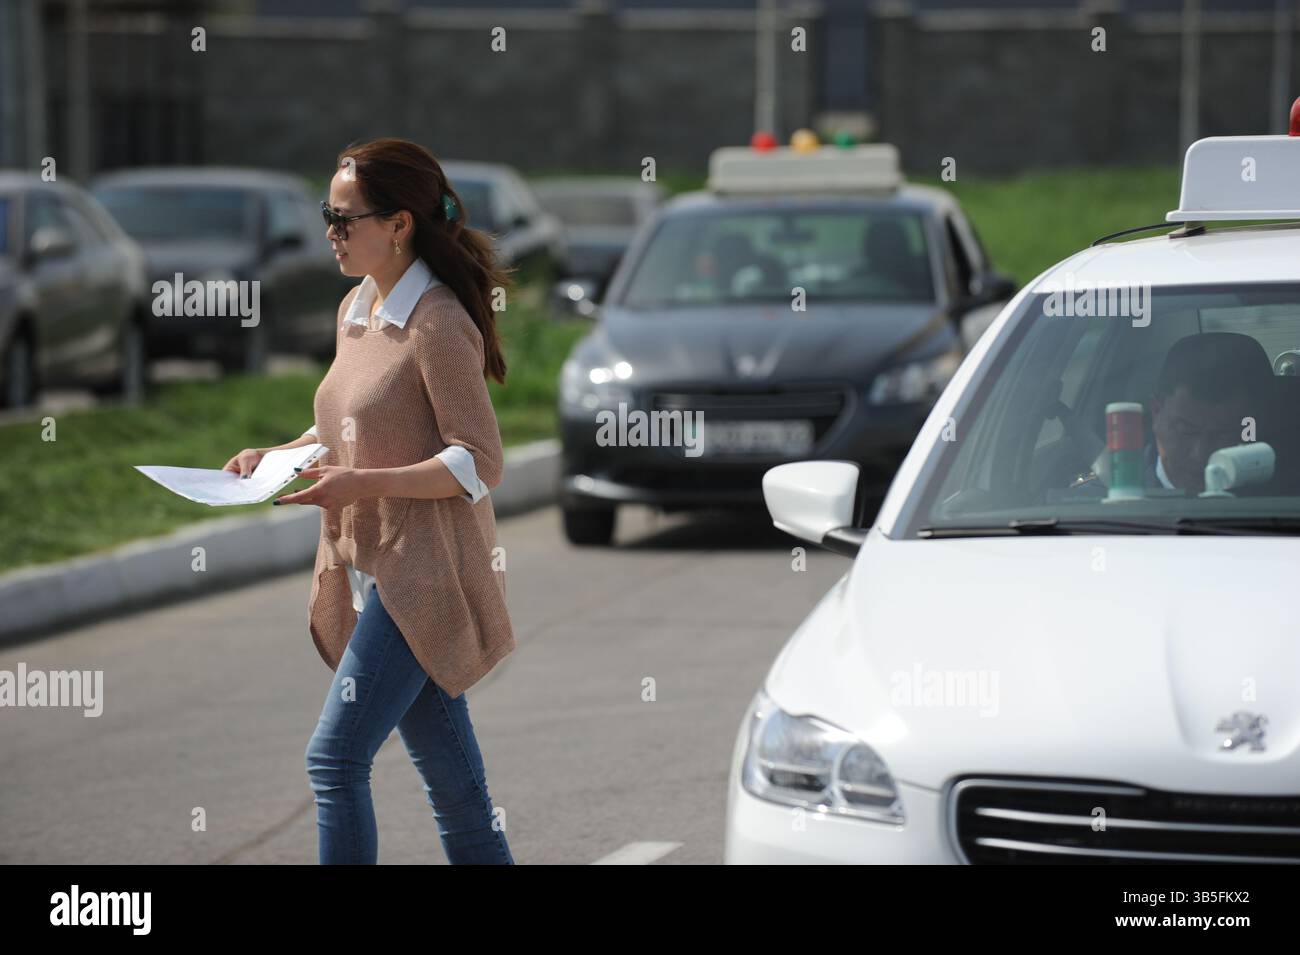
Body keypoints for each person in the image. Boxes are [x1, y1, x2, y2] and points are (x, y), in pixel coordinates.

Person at [221, 138, 516, 864]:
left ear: (400, 223)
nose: (331, 230)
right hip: (373, 564)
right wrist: (278, 457)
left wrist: (366, 483)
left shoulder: (438, 322)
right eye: (329, 214)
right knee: (459, 798)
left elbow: (479, 459)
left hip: (424, 572)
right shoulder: (356, 308)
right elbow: (345, 427)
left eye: (346, 217)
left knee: (335, 760)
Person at [1068, 331, 1274, 496]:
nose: (1201, 454)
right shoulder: (1091, 506)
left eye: (1224, 434)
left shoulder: (1287, 499)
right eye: (1185, 430)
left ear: (1254, 424)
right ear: (1156, 410)